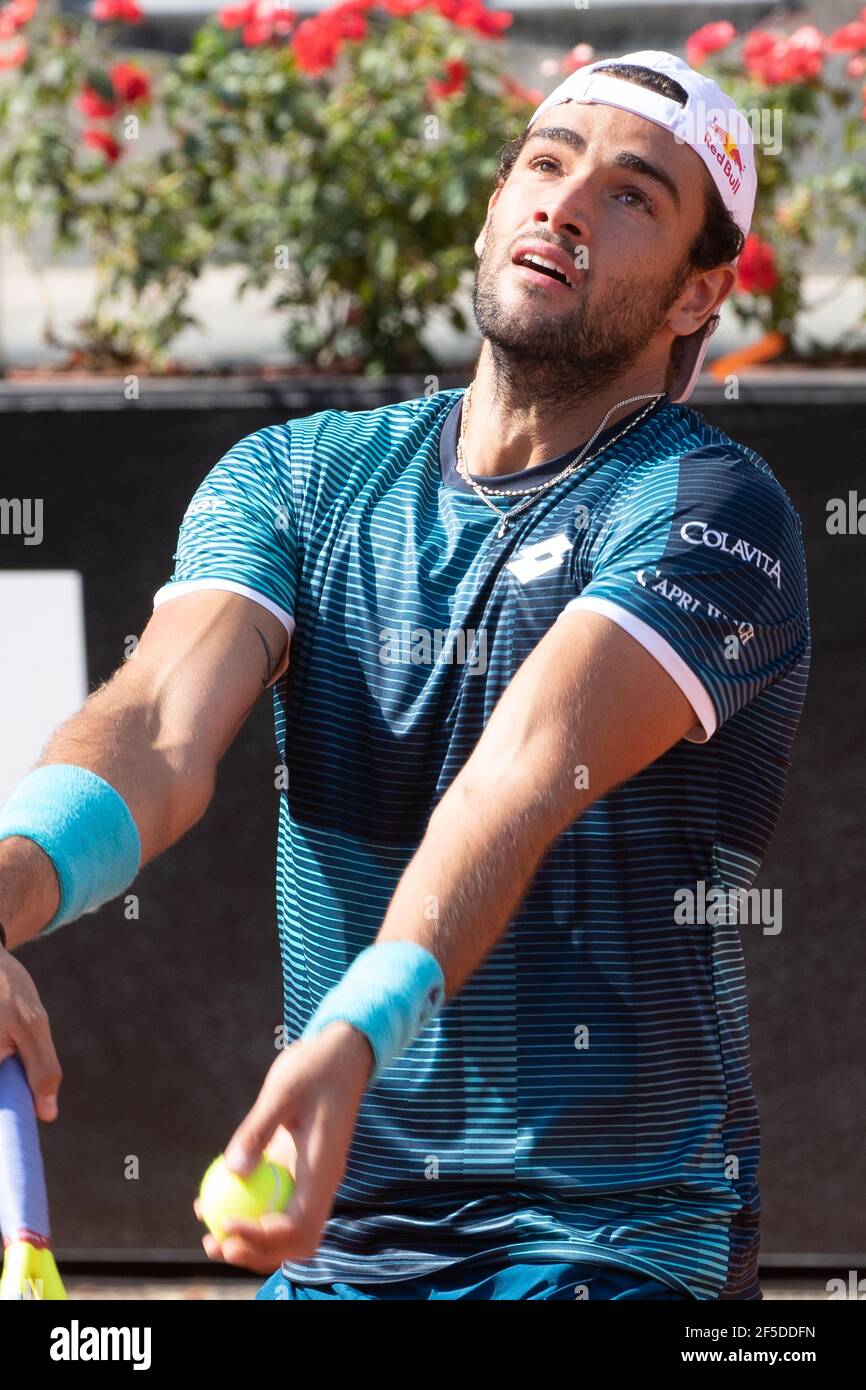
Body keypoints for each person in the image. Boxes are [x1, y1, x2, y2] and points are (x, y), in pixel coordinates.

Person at [0, 50, 810, 1301]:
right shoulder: (297, 477)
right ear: (493, 208)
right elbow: (158, 727)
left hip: (616, 1241)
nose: (565, 203)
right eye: (543, 164)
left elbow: (523, 777)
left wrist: (348, 1036)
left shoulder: (711, 506)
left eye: (631, 194)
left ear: (698, 295)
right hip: (336, 1240)